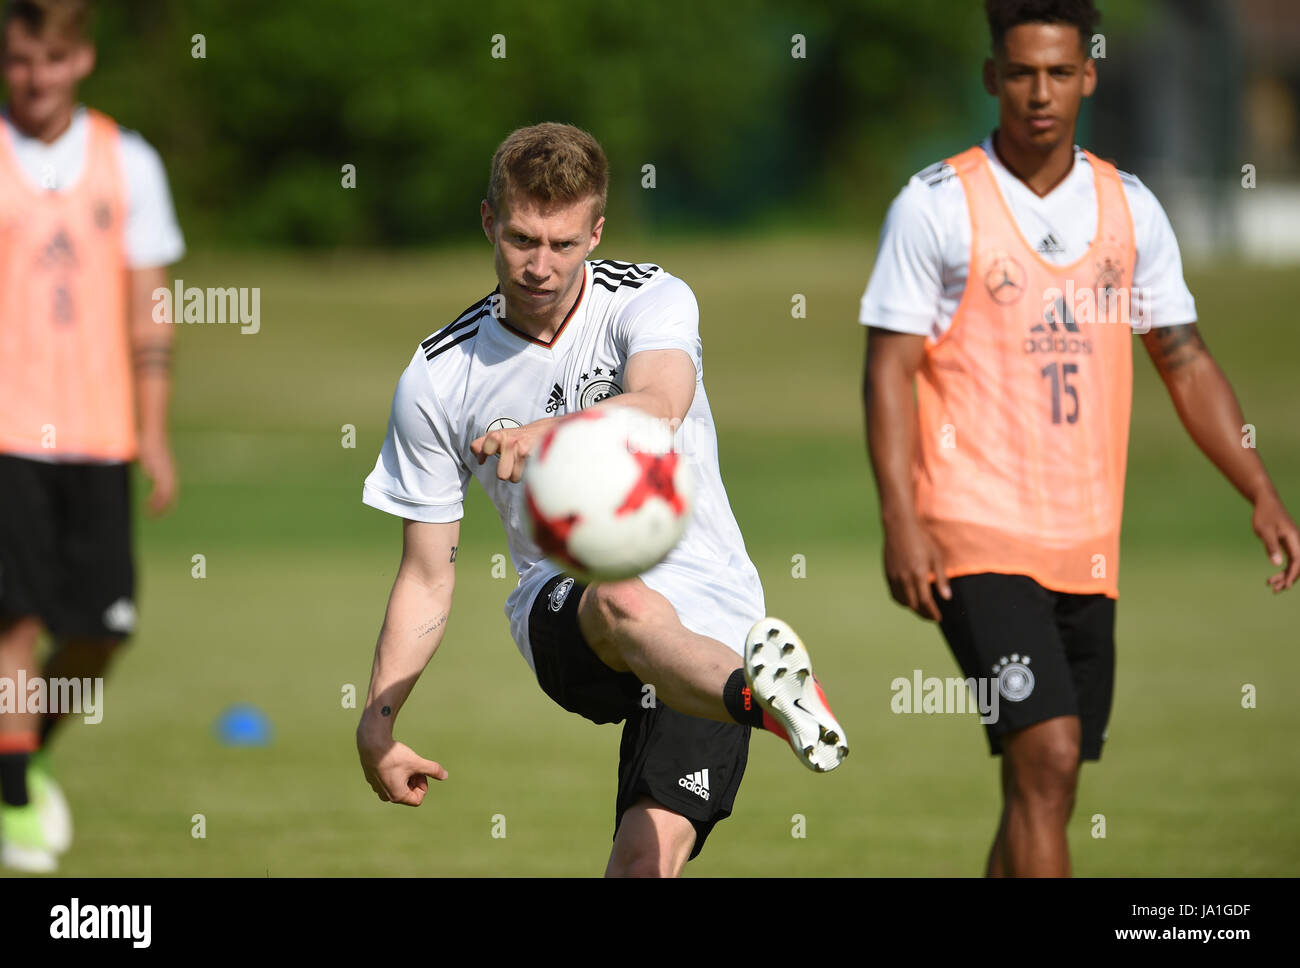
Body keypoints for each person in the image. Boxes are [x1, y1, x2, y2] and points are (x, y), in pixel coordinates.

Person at [860, 0, 1298, 877]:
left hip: (1087, 546)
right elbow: (887, 372)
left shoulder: (1130, 208)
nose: (1040, 94)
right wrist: (902, 520)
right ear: (993, 77)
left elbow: (1184, 360)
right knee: (1049, 752)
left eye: (1060, 73)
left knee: (1044, 785)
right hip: (974, 530)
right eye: (1021, 73)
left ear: (1089, 76)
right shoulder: (936, 206)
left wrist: (1258, 488)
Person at [356, 122, 848, 877]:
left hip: (708, 614)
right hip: (566, 610)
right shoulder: (440, 374)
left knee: (640, 869)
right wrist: (378, 722)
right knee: (619, 597)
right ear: (489, 221)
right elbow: (428, 574)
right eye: (522, 239)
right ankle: (767, 697)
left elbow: (663, 400)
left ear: (597, 231)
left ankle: (763, 699)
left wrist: (547, 433)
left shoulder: (648, 298)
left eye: (563, 243)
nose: (540, 267)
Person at [0, 0, 185, 871]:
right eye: (19, 61)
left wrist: (153, 432)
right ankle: (10, 808)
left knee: (103, 628)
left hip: (100, 436)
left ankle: (18, 759)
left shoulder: (129, 160)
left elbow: (152, 310)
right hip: (5, 434)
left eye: (50, 59)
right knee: (16, 619)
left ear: (81, 61)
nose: (34, 78)